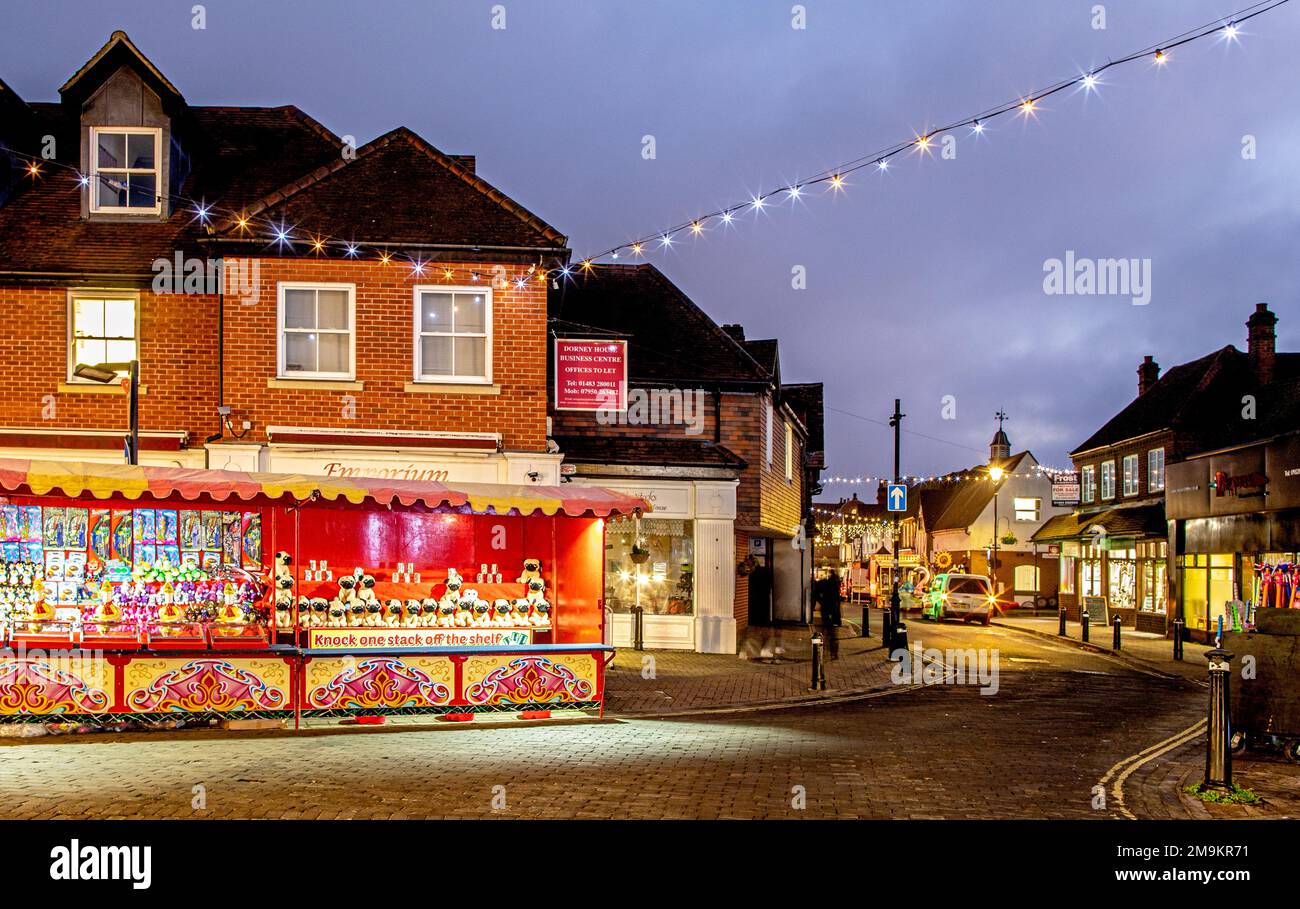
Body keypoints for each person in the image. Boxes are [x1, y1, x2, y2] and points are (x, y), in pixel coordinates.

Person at [816, 570, 842, 660]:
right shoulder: (835, 588)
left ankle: (824, 652)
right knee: (833, 634)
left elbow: (816, 590)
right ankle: (833, 653)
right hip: (833, 614)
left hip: (826, 611)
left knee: (825, 632)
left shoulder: (825, 584)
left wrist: (820, 601)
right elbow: (837, 604)